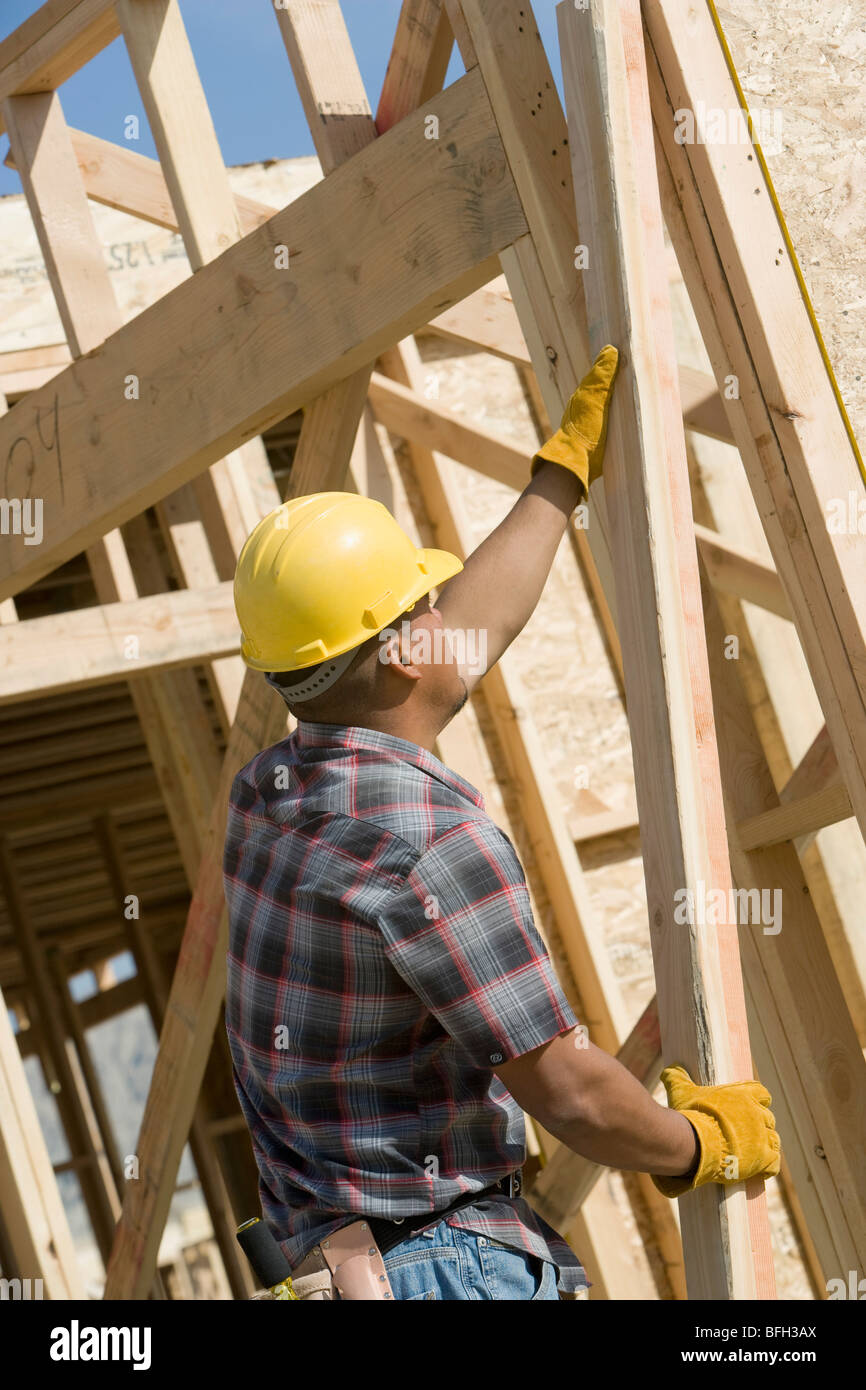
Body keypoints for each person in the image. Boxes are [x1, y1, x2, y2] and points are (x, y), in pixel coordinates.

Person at [224, 347, 780, 1301]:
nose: (449, 617)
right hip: (439, 1267)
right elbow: (565, 1089)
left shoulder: (269, 793)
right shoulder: (431, 845)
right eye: (427, 605)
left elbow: (457, 644)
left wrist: (557, 479)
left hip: (345, 1263)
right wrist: (701, 1145)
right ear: (405, 653)